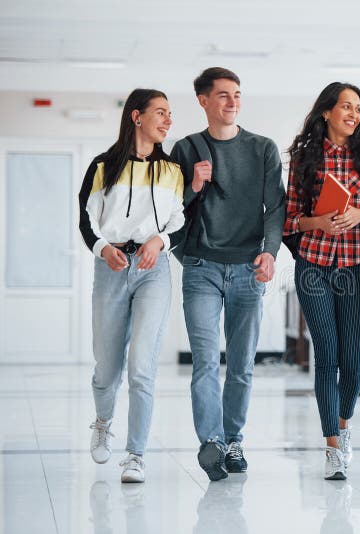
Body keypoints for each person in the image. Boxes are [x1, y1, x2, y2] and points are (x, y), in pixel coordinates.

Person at [170, 67, 286, 481]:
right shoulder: (185, 150)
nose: (232, 102)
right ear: (203, 101)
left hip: (248, 269)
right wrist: (192, 187)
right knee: (205, 361)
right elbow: (168, 213)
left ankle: (233, 438)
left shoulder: (263, 149)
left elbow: (276, 209)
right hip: (200, 268)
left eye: (236, 94)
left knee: (240, 364)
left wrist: (269, 253)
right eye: (222, 95)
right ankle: (212, 441)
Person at [78, 88, 185, 483]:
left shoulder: (172, 171)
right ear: (136, 116)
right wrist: (104, 249)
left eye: (170, 114)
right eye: (161, 112)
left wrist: (160, 241)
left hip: (152, 270)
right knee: (107, 367)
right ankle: (103, 421)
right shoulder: (103, 166)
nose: (168, 120)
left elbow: (178, 219)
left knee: (142, 365)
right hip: (112, 266)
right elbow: (86, 220)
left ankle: (136, 455)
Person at [284, 82, 360, 480]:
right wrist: (317, 222)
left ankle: (343, 426)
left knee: (354, 361)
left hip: (355, 265)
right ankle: (330, 447)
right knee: (327, 355)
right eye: (346, 106)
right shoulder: (304, 157)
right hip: (313, 265)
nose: (353, 114)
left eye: (358, 108)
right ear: (326, 111)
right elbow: (290, 218)